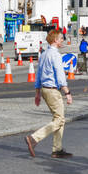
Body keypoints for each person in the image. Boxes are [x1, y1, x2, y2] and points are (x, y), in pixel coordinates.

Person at [26, 29, 73, 159]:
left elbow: (38, 75)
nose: (62, 40)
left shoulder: (44, 54)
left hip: (45, 90)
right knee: (59, 119)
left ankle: (57, 150)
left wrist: (37, 93)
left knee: (59, 119)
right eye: (61, 38)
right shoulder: (56, 55)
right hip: (53, 90)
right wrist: (67, 92)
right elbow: (60, 74)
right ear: (55, 40)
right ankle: (34, 138)